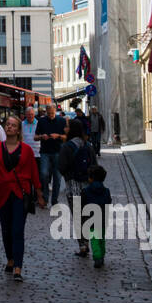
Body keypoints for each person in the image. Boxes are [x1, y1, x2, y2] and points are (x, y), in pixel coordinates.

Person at [0, 115, 46, 283]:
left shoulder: (26, 150)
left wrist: (40, 195)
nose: (9, 127)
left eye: (13, 125)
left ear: (18, 130)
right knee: (6, 230)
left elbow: (34, 173)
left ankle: (18, 267)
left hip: (21, 193)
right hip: (2, 193)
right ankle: (10, 259)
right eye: (7, 125)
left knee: (17, 230)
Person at [57, 118, 96, 257]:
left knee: (78, 217)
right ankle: (92, 241)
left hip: (73, 187)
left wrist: (69, 175)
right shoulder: (88, 145)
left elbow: (61, 167)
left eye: (67, 127)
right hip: (87, 188)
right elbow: (95, 166)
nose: (64, 129)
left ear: (71, 129)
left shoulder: (67, 146)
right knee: (88, 215)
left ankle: (83, 246)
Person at [35, 103, 69, 207]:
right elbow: (35, 137)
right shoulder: (41, 121)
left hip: (58, 152)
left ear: (55, 111)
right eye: (49, 113)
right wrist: (41, 136)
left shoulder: (62, 121)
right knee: (44, 174)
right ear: (46, 112)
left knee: (57, 177)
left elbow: (67, 137)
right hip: (45, 151)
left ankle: (54, 200)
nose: (50, 115)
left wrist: (58, 135)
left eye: (52, 113)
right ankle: (45, 197)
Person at [81, 165, 113, 268]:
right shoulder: (106, 191)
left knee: (94, 239)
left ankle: (97, 257)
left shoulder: (86, 191)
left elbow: (82, 204)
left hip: (91, 219)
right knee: (101, 238)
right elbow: (109, 202)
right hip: (103, 218)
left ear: (90, 178)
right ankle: (102, 255)